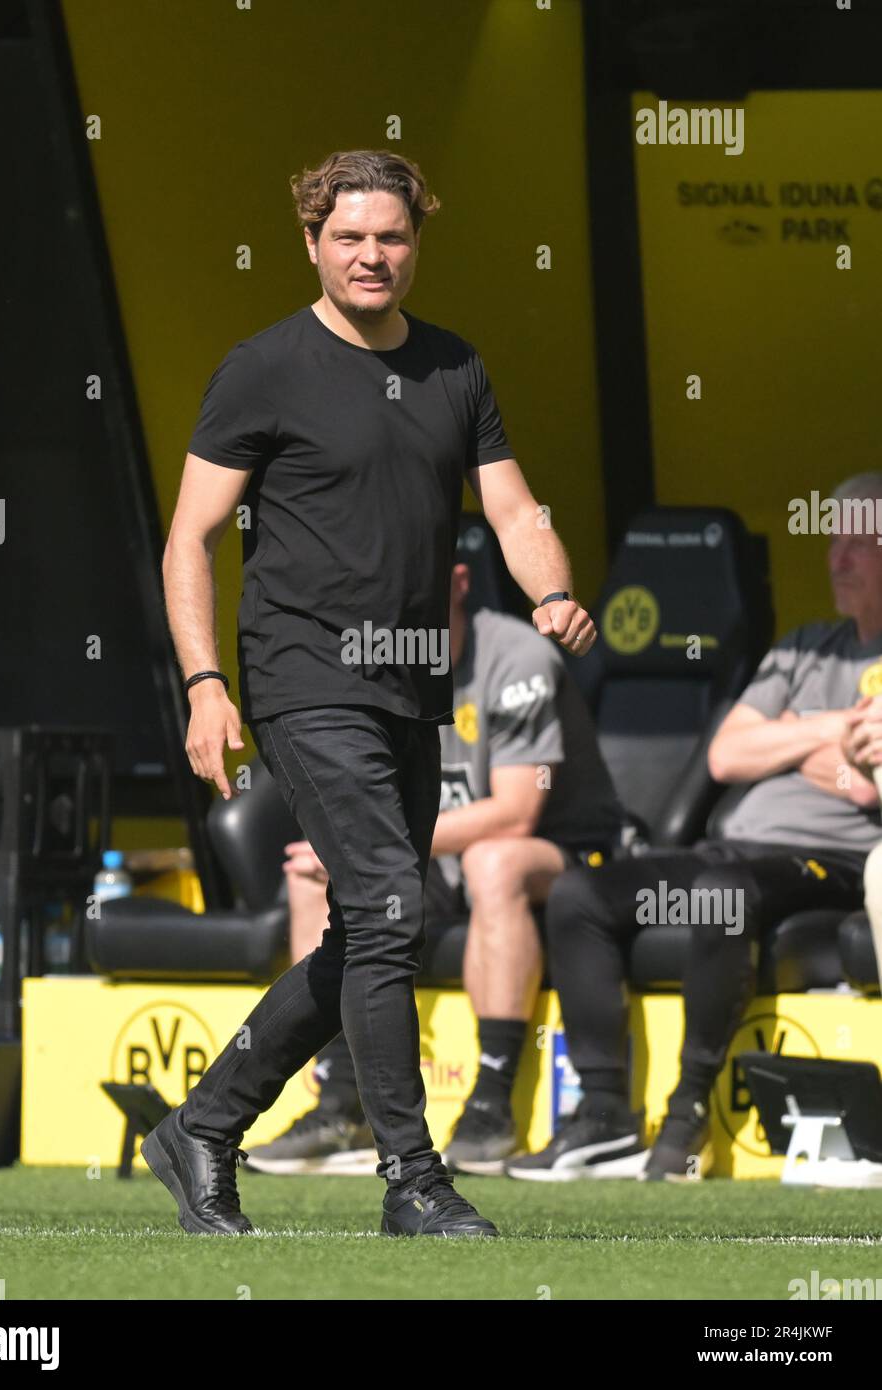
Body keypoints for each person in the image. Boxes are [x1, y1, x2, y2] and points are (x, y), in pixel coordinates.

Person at [142, 148, 597, 1237]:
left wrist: (552, 593)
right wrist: (206, 683)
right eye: (347, 236)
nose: (370, 254)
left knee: (368, 927)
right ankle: (412, 1179)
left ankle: (202, 1126)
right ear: (310, 242)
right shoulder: (262, 368)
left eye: (390, 236)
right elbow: (189, 539)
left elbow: (514, 507)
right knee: (391, 908)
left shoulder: (455, 369)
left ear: (414, 245)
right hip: (303, 679)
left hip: (408, 690)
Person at [508, 472, 882, 1184]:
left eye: (858, 543)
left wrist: (791, 738)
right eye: (833, 539)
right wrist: (829, 732)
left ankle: (686, 1113)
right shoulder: (806, 647)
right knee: (579, 895)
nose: (836, 558)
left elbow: (865, 784)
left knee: (721, 891)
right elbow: (727, 751)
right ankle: (605, 1114)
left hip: (828, 860)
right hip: (731, 846)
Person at [244, 559, 625, 1177]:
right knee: (314, 872)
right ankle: (341, 1098)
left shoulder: (517, 655)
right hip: (439, 855)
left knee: (491, 860)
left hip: (567, 857)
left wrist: (374, 846)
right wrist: (349, 852)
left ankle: (492, 1099)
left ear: (459, 580)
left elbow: (516, 813)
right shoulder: (373, 658)